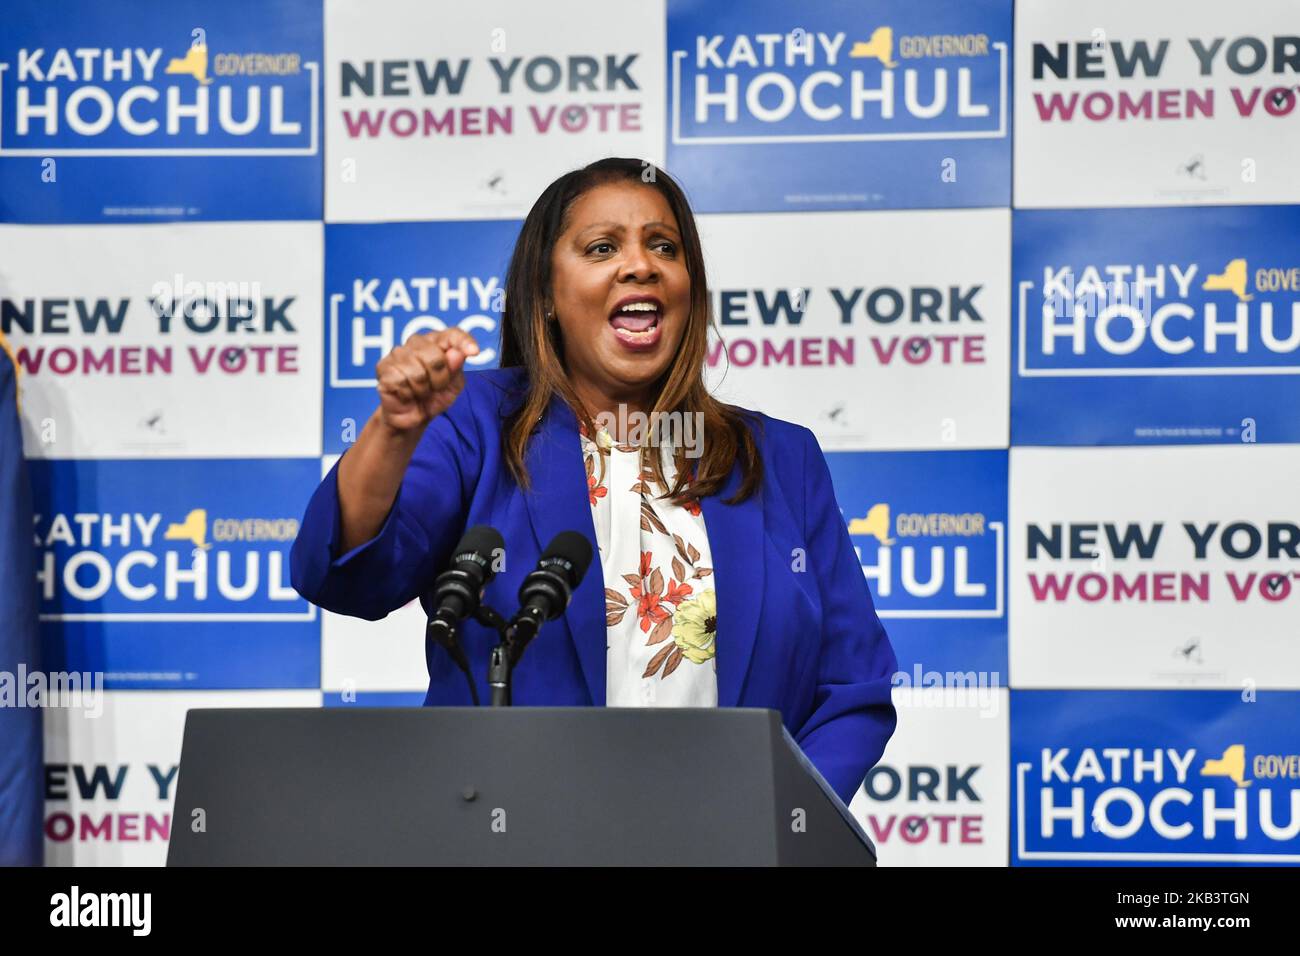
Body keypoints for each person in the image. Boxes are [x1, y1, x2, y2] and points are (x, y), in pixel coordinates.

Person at [290, 157, 897, 805]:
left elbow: (852, 690)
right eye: (602, 247)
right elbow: (343, 575)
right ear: (546, 295)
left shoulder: (778, 458)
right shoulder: (478, 423)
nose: (641, 265)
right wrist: (394, 429)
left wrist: (777, 827)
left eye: (664, 246)